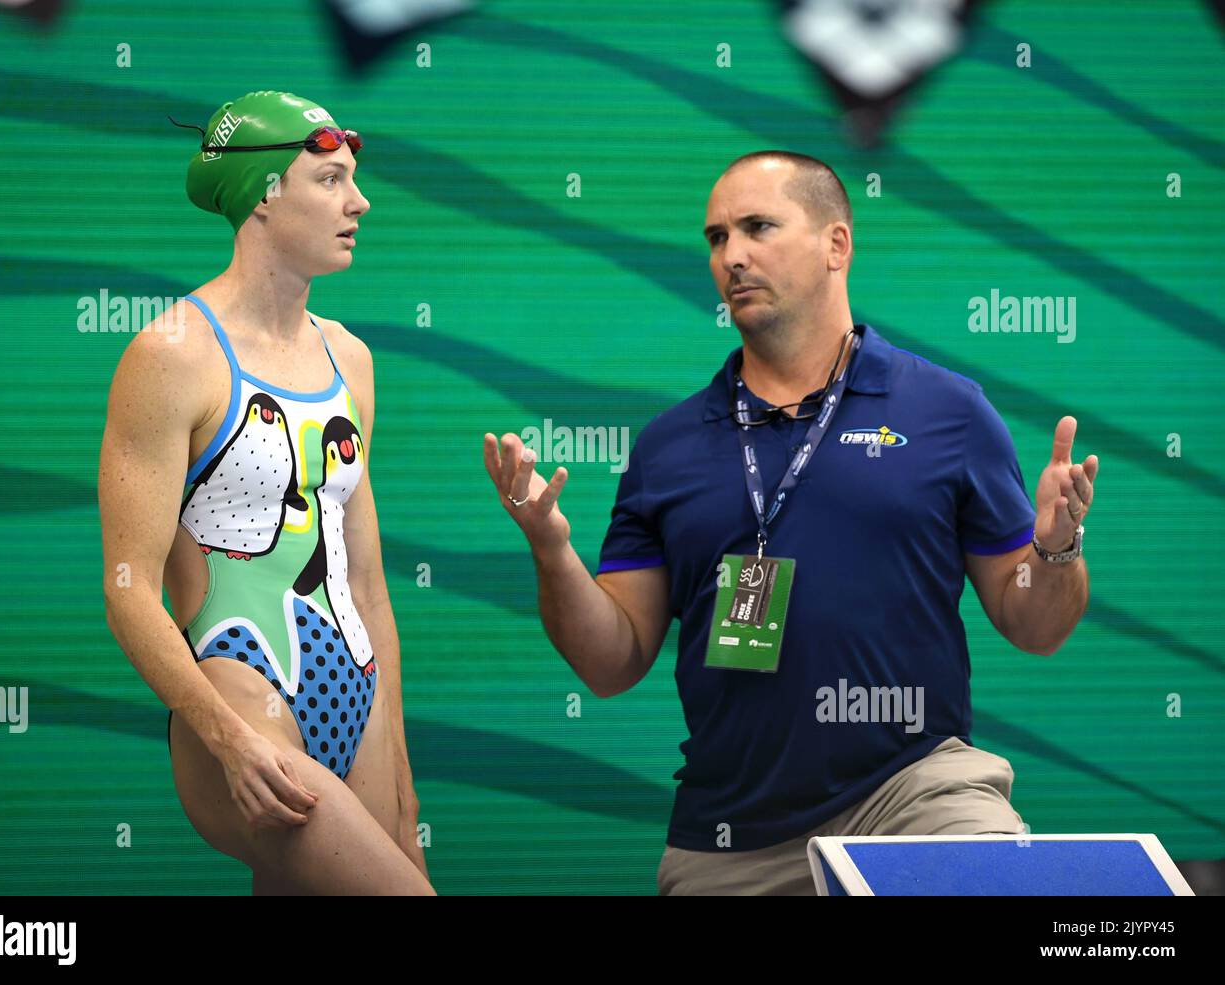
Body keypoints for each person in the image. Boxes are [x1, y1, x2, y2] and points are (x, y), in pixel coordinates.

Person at [482, 151, 1099, 896]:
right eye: (716, 237)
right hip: (729, 837)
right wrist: (552, 551)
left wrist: (1058, 547)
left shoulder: (948, 411)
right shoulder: (667, 447)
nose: (731, 255)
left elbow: (1036, 624)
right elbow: (611, 661)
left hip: (917, 795)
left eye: (757, 227)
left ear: (837, 244)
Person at [99, 90, 433, 895]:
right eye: (330, 179)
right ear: (263, 194)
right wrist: (225, 737)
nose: (360, 201)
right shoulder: (173, 352)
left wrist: (407, 793)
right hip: (241, 688)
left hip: (357, 691)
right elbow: (129, 587)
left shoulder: (350, 358)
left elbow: (366, 585)